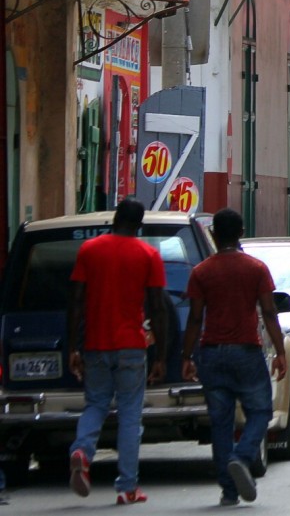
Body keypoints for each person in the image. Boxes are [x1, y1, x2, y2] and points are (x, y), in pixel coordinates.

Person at [181, 209, 288, 506]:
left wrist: (187, 356)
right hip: (246, 352)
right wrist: (280, 352)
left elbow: (194, 318)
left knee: (220, 422)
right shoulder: (256, 268)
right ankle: (242, 457)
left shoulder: (201, 271)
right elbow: (269, 312)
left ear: (213, 234)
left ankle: (228, 491)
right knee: (260, 412)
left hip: (211, 353)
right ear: (241, 233)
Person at [67, 198, 168, 505]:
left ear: (114, 219)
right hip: (131, 347)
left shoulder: (89, 250)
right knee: (129, 415)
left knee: (95, 404)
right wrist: (161, 356)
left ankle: (82, 451)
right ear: (140, 226)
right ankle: (127, 487)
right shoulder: (148, 254)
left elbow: (76, 302)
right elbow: (158, 307)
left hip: (96, 344)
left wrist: (73, 346)